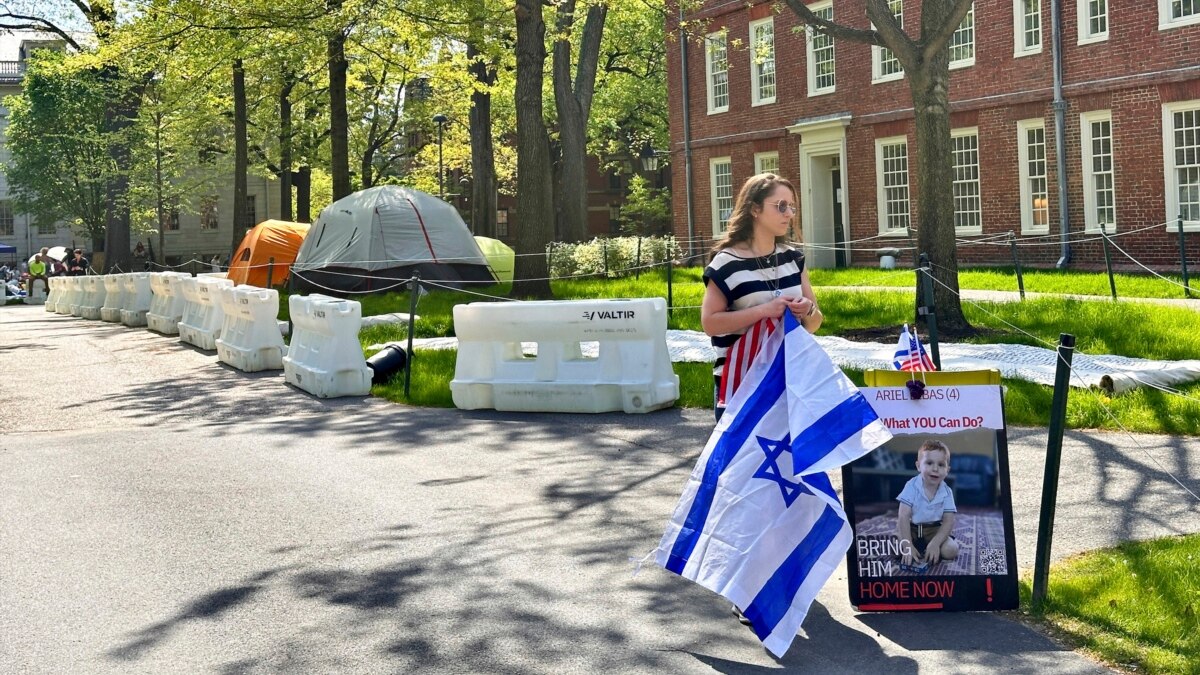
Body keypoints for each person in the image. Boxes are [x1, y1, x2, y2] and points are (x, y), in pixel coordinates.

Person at [700, 173, 823, 421]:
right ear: (755, 209)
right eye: (781, 206)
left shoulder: (793, 259)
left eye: (792, 207)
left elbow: (814, 324)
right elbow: (710, 323)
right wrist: (763, 311)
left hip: (788, 382)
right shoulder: (726, 263)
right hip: (742, 383)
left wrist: (808, 309)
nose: (789, 214)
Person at [895, 440, 960, 568]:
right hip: (912, 529)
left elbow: (948, 521)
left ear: (947, 470)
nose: (935, 469)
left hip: (934, 530)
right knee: (894, 548)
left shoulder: (947, 492)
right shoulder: (911, 486)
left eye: (941, 465)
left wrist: (935, 543)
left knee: (951, 550)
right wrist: (907, 544)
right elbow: (903, 516)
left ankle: (930, 548)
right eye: (929, 463)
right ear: (918, 466)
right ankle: (912, 547)